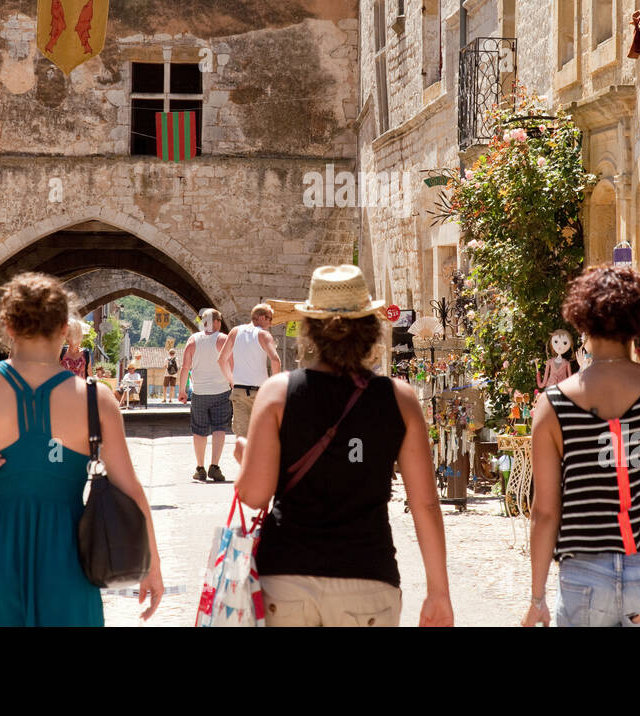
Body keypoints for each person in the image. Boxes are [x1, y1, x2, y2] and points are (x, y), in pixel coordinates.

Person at [0, 273, 163, 626]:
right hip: (66, 556)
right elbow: (131, 491)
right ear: (65, 328)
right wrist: (151, 566)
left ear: (7, 325)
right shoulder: (97, 400)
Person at [238, 265, 452, 627]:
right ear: (370, 328)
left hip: (287, 576)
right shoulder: (399, 399)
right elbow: (426, 504)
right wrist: (439, 592)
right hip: (367, 576)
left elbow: (254, 495)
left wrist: (247, 457)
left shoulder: (277, 394)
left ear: (311, 329)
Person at [524, 266, 640, 627]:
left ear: (582, 325)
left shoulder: (552, 404)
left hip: (583, 574)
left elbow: (545, 512)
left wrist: (537, 596)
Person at [220, 303, 282, 463]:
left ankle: (245, 471)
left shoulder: (235, 332)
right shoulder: (264, 335)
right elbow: (275, 360)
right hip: (260, 393)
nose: (271, 322)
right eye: (269, 318)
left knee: (242, 437)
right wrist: (275, 387)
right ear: (261, 317)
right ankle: (259, 470)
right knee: (262, 435)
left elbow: (221, 360)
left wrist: (232, 381)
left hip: (239, 391)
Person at [179, 309, 230, 482]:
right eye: (220, 320)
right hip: (221, 391)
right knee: (219, 428)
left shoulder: (193, 340)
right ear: (215, 321)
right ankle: (214, 467)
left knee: (199, 430)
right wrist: (233, 383)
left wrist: (182, 391)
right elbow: (230, 364)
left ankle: (200, 468)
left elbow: (185, 367)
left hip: (199, 392)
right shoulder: (223, 339)